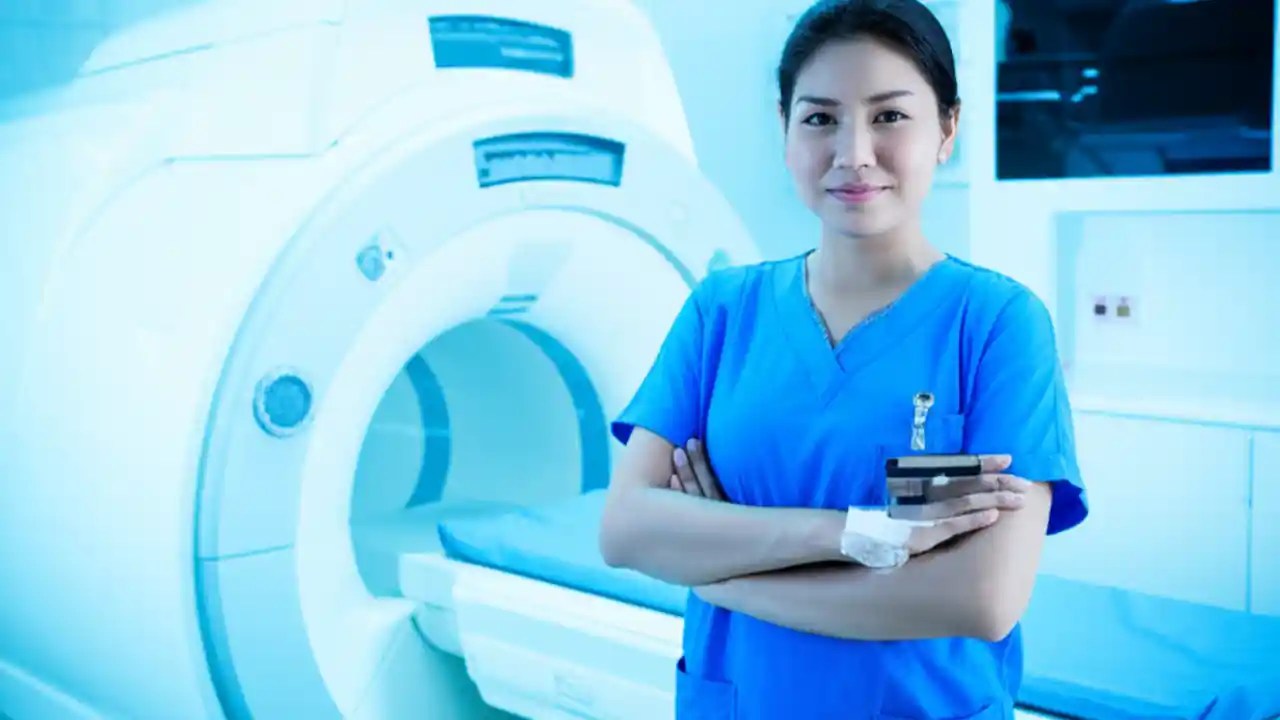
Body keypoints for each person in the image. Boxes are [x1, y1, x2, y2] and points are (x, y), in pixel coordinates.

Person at [598, 0, 1089, 718]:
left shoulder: (995, 326)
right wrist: (857, 534)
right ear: (785, 129)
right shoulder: (722, 311)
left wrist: (721, 572)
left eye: (890, 116)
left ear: (947, 128)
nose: (854, 153)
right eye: (820, 118)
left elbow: (982, 597)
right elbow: (628, 529)